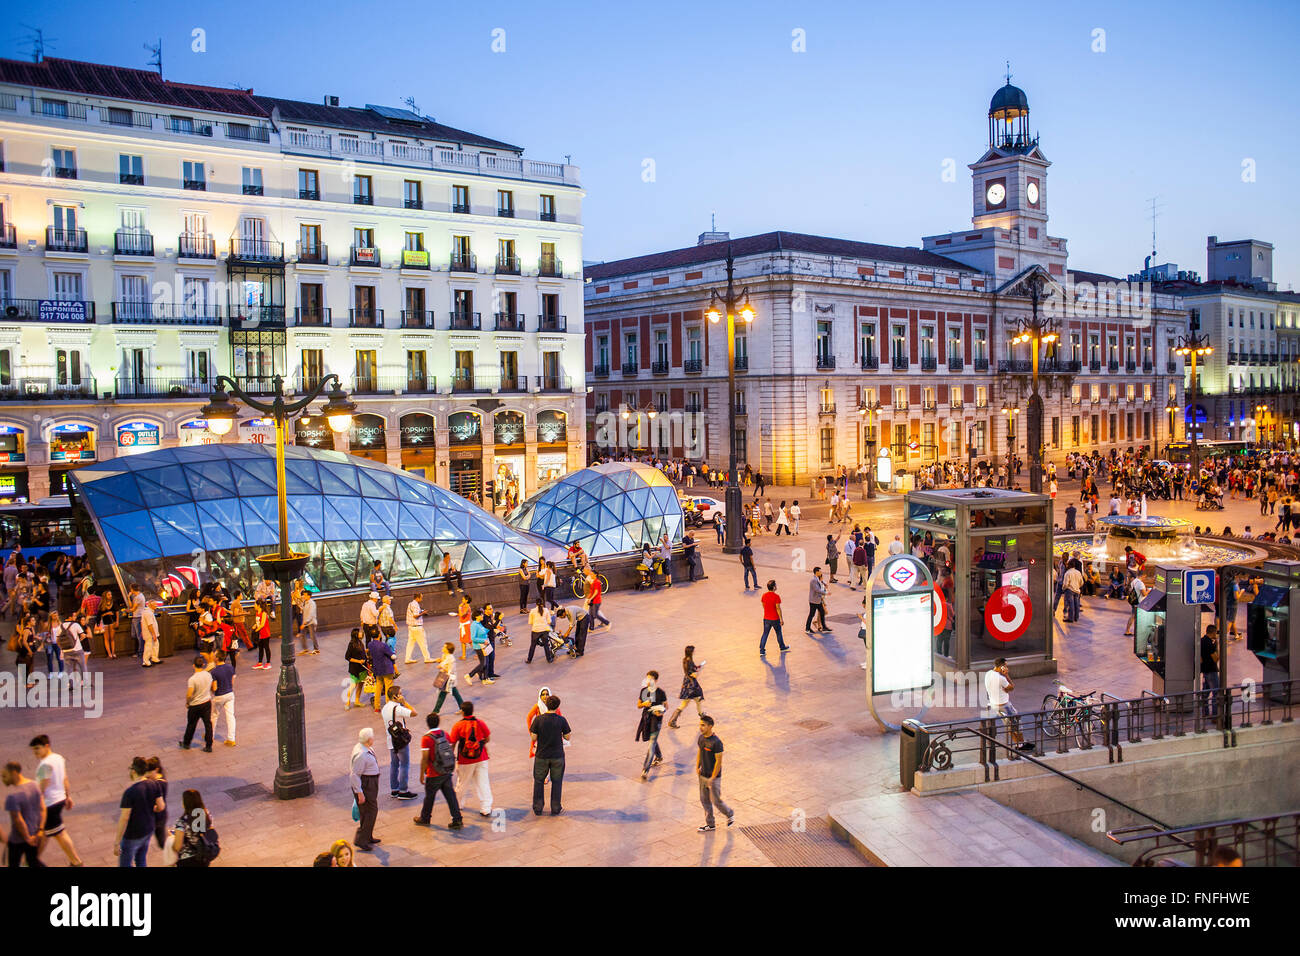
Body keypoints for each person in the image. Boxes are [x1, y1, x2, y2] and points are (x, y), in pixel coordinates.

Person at [29, 735, 82, 866]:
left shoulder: (45, 764)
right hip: (59, 800)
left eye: (37, 748)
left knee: (59, 834)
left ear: (47, 746)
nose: (35, 752)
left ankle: (77, 862)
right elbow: (65, 778)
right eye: (33, 749)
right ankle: (30, 860)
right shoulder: (58, 758)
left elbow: (42, 787)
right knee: (46, 832)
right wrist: (67, 796)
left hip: (49, 804)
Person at [414, 712, 463, 829]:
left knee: (429, 797)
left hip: (433, 773)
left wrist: (422, 774)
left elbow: (425, 758)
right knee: (451, 796)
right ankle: (457, 819)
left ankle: (425, 818)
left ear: (427, 724)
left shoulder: (426, 738)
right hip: (446, 771)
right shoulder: (445, 734)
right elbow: (450, 750)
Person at [116, 757, 165, 867]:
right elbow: (161, 806)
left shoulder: (130, 793)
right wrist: (150, 808)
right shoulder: (154, 784)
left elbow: (124, 818)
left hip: (133, 834)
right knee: (141, 859)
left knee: (125, 864)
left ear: (133, 771)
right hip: (148, 828)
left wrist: (117, 842)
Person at [447, 700, 492, 817]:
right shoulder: (480, 723)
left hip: (465, 760)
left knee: (462, 783)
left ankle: (458, 805)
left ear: (462, 712)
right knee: (483, 783)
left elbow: (452, 742)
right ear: (472, 710)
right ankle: (486, 808)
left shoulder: (458, 725)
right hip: (481, 757)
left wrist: (451, 757)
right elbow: (487, 738)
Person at [530, 694, 571, 816]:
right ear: (557, 706)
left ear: (546, 705)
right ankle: (555, 807)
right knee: (557, 781)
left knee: (538, 781)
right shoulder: (561, 720)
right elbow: (567, 736)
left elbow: (533, 736)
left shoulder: (538, 720)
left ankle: (538, 807)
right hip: (557, 755)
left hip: (542, 755)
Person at [695, 715, 734, 832]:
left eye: (703, 725)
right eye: (700, 725)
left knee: (716, 801)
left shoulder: (717, 742)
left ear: (710, 726)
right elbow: (699, 752)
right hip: (702, 775)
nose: (700, 727)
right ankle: (710, 824)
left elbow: (718, 762)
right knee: (704, 800)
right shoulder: (701, 738)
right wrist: (697, 766)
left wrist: (713, 777)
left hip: (714, 778)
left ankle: (729, 813)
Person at [4, 760, 46, 867]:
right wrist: (40, 830)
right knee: (32, 861)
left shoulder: (12, 797)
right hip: (35, 834)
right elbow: (43, 809)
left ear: (14, 773)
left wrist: (27, 838)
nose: (3, 779)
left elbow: (18, 820)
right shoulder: (34, 785)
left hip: (18, 839)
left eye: (4, 776)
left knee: (14, 864)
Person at [985, 658, 1033, 751]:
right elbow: (1012, 687)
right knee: (1017, 723)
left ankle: (1019, 744)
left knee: (1009, 724)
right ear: (1001, 666)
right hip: (1005, 706)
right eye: (1006, 666)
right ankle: (1021, 744)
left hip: (994, 704)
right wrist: (1006, 674)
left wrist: (1005, 689)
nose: (1007, 667)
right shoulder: (1001, 678)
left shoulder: (988, 674)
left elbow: (1004, 688)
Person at [381, 684, 417, 800]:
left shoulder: (385, 708)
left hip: (390, 740)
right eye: (400, 694)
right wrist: (405, 702)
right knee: (404, 764)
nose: (402, 695)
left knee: (394, 765)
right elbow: (414, 713)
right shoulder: (398, 708)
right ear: (396, 696)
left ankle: (394, 789)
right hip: (401, 741)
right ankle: (403, 791)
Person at [349, 728, 382, 851]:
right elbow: (354, 775)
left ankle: (367, 836)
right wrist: (359, 793)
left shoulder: (365, 748)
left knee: (367, 812)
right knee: (371, 811)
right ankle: (361, 839)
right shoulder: (361, 754)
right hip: (366, 784)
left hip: (370, 783)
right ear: (369, 739)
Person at [178, 655, 215, 752]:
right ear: (203, 665)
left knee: (191, 724)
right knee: (208, 724)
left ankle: (186, 743)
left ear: (193, 665)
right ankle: (209, 745)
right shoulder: (208, 675)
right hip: (207, 702)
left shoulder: (192, 679)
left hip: (195, 705)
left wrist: (187, 702)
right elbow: (212, 687)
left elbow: (189, 694)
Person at [636, 671, 668, 780]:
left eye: (651, 679)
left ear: (656, 680)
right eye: (647, 679)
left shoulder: (660, 693)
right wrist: (644, 704)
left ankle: (645, 770)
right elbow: (639, 705)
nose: (648, 681)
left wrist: (661, 712)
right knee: (652, 741)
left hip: (656, 720)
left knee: (651, 744)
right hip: (646, 719)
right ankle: (658, 756)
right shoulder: (644, 691)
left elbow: (666, 706)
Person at [171, 789, 214, 868]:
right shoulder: (206, 814)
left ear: (185, 803)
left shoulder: (182, 822)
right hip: (204, 854)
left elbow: (177, 846)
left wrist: (171, 842)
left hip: (188, 860)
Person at [667, 645, 705, 728]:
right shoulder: (689, 661)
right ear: (691, 652)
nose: (695, 652)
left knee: (686, 703)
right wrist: (698, 671)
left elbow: (690, 669)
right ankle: (703, 717)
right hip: (691, 685)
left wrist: (697, 667)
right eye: (693, 650)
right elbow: (693, 674)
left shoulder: (685, 660)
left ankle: (672, 720)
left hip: (687, 683)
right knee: (697, 700)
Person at [206, 649, 237, 747]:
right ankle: (231, 739)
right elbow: (232, 682)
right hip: (230, 694)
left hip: (219, 696)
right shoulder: (230, 667)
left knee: (214, 716)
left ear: (217, 658)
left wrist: (210, 689)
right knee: (230, 716)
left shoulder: (214, 672)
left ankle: (210, 736)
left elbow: (214, 688)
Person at [367, 627, 397, 713]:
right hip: (387, 668)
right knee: (389, 687)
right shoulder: (383, 645)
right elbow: (392, 656)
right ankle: (389, 706)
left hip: (377, 669)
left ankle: (377, 706)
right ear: (379, 635)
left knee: (378, 687)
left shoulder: (370, 644)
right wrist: (394, 654)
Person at [432, 642, 465, 715]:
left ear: (447, 650)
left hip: (449, 679)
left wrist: (441, 666)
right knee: (453, 694)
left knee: (444, 694)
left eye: (444, 647)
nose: (442, 648)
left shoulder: (451, 658)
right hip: (446, 678)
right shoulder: (445, 655)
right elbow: (444, 663)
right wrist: (440, 661)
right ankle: (462, 708)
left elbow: (450, 670)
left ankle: (436, 711)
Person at [759, 579, 789, 656]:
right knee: (778, 633)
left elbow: (763, 605)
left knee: (765, 634)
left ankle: (762, 650)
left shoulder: (764, 595)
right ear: (773, 587)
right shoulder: (776, 597)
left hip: (766, 618)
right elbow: (778, 608)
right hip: (775, 619)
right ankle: (782, 647)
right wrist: (781, 619)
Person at [465, 608, 493, 683]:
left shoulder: (479, 623)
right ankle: (469, 675)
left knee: (485, 663)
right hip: (479, 647)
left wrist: (491, 628)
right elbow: (473, 638)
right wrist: (483, 641)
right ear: (477, 616)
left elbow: (483, 631)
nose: (482, 616)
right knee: (483, 663)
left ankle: (484, 679)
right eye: (481, 615)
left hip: (484, 645)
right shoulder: (474, 625)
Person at [404, 592, 432, 664]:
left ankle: (407, 658)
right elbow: (415, 615)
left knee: (410, 643)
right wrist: (423, 613)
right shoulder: (415, 604)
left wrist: (422, 612)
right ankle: (427, 658)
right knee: (423, 643)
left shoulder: (411, 603)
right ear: (417, 598)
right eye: (421, 598)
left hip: (411, 627)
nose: (422, 599)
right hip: (417, 627)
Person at [344, 628, 369, 711]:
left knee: (361, 684)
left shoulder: (360, 642)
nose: (361, 633)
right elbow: (347, 657)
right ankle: (347, 702)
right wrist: (358, 661)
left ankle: (357, 700)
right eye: (359, 632)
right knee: (353, 685)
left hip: (362, 668)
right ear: (356, 634)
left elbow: (361, 652)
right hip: (355, 669)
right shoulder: (351, 644)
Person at [1200, 624, 1221, 719]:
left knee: (1205, 693)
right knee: (1216, 693)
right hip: (1212, 670)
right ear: (1213, 632)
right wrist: (1217, 647)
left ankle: (1205, 712)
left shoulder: (1201, 641)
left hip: (1204, 670)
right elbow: (1216, 659)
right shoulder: (1210, 644)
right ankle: (1215, 715)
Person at [526, 599, 555, 664]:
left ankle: (529, 660)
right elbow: (549, 621)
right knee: (546, 645)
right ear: (543, 603)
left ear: (536, 604)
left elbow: (530, 622)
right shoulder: (546, 610)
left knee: (533, 645)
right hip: (544, 630)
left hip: (535, 630)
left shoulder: (532, 611)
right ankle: (549, 659)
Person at [805, 567, 829, 633]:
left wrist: (824, 584)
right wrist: (826, 593)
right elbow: (817, 590)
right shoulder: (813, 580)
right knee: (812, 614)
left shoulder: (817, 579)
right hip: (814, 601)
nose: (821, 572)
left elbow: (821, 582)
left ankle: (823, 627)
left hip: (817, 600)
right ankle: (807, 628)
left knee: (822, 612)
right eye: (820, 571)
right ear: (817, 572)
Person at [140, 598, 161, 667]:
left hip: (150, 633)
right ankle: (146, 661)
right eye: (155, 604)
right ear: (150, 605)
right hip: (149, 634)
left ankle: (154, 658)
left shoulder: (148, 612)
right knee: (148, 646)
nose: (156, 606)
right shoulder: (148, 613)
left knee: (155, 644)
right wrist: (153, 634)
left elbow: (141, 622)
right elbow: (150, 625)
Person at [252, 600, 272, 669]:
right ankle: (260, 663)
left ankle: (268, 663)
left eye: (255, 604)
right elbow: (258, 622)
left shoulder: (264, 613)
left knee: (266, 648)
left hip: (265, 633)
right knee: (260, 648)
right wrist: (255, 626)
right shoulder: (257, 613)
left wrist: (256, 630)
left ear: (258, 605)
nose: (254, 605)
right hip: (260, 634)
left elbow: (262, 624)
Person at [298, 591, 318, 655]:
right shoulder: (305, 602)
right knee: (302, 636)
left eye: (305, 595)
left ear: (309, 596)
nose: (303, 596)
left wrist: (304, 623)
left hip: (311, 622)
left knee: (312, 636)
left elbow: (311, 614)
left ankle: (316, 649)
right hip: (305, 622)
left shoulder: (312, 603)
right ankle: (305, 649)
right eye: (303, 595)